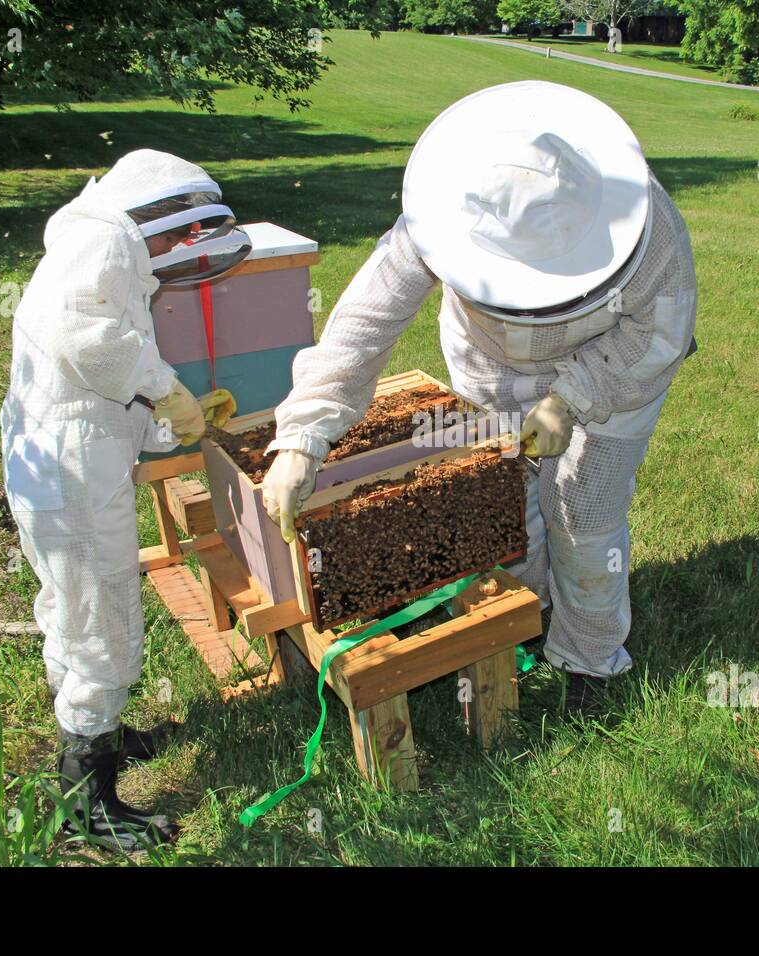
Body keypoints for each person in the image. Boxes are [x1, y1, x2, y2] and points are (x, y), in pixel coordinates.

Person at [261, 82, 697, 714]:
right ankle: (526, 614)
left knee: (584, 512)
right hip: (489, 364)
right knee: (503, 495)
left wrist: (571, 398)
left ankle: (590, 658)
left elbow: (654, 339)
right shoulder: (441, 214)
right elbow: (365, 320)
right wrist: (303, 434)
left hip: (612, 372)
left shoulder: (653, 237)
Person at [0, 149, 246, 850]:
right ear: (157, 210)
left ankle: (97, 730)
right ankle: (87, 801)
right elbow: (92, 343)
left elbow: (105, 355)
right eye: (173, 235)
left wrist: (169, 413)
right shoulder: (106, 239)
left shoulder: (97, 240)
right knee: (99, 622)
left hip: (61, 456)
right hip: (69, 470)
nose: (174, 250)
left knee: (71, 607)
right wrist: (166, 390)